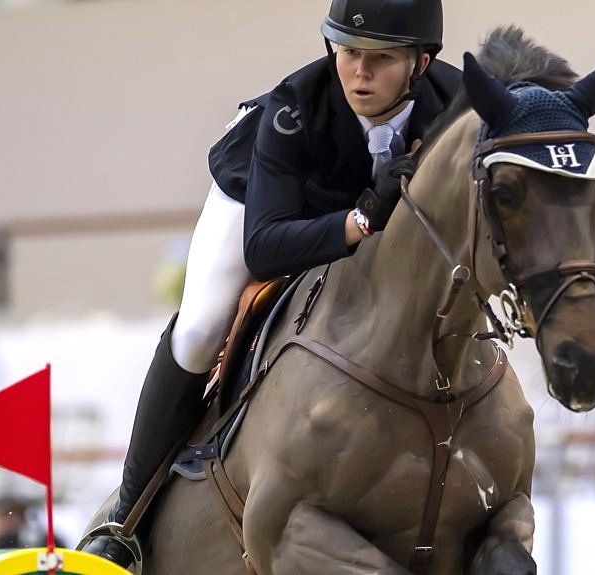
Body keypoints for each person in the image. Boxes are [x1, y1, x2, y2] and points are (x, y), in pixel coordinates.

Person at [85, 0, 462, 566]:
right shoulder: (292, 110)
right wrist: (360, 220)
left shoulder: (457, 102)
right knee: (200, 327)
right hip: (262, 205)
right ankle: (126, 520)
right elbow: (264, 245)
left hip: (360, 210)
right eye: (349, 53)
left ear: (422, 63)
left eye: (381, 59)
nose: (360, 73)